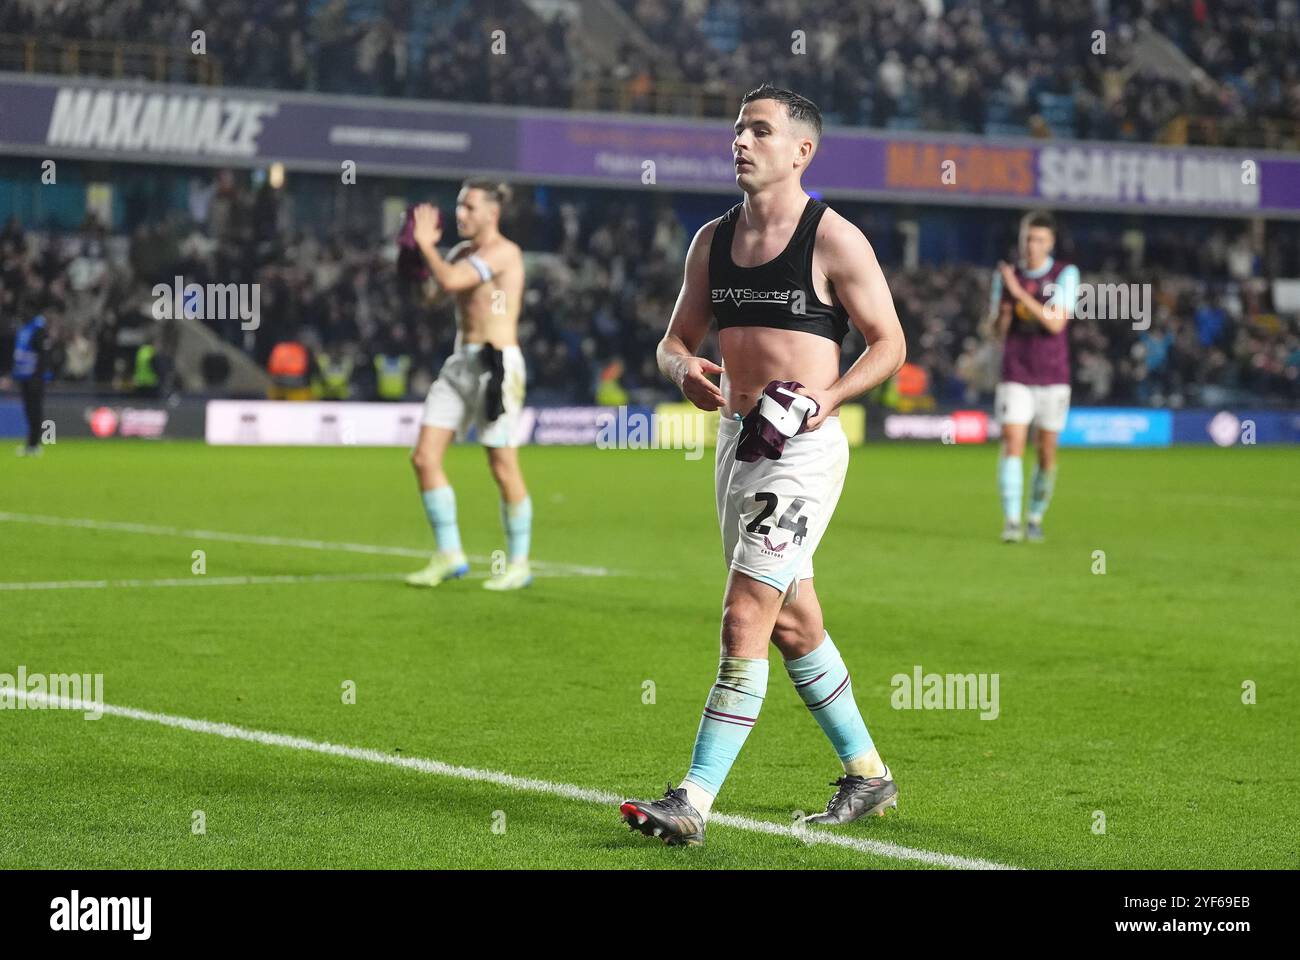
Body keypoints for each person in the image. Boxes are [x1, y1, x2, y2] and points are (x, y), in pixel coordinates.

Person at [620, 84, 907, 846]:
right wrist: (681, 368)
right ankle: (868, 774)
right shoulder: (711, 241)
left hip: (804, 450)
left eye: (759, 131)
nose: (741, 142)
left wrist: (831, 397)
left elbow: (890, 344)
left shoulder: (834, 239)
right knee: (794, 623)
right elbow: (673, 339)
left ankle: (693, 799)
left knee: (745, 613)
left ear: (801, 150)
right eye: (738, 130)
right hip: (739, 442)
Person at [405, 180, 533, 591]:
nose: (460, 214)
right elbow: (431, 294)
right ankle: (450, 554)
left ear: (491, 214)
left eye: (469, 207)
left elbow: (452, 283)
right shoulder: (461, 253)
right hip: (461, 362)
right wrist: (411, 256)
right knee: (424, 457)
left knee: (501, 464)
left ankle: (519, 563)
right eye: (459, 205)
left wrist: (426, 246)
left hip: (496, 366)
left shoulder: (504, 252)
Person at [991, 211, 1079, 543]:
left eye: (1040, 239)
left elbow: (1056, 323)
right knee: (1012, 443)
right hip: (1016, 373)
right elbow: (996, 332)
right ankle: (1012, 521)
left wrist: (1019, 293)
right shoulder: (1007, 275)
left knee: (1046, 452)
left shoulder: (1064, 274)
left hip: (1054, 375)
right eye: (1028, 238)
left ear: (1051, 242)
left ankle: (1035, 516)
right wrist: (1002, 312)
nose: (1032, 245)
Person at [13, 300, 53, 457]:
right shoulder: (25, 329)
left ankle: (35, 444)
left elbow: (43, 355)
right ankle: (30, 444)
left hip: (34, 378)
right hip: (24, 376)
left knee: (35, 410)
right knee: (29, 411)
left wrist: (39, 376)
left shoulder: (38, 330)